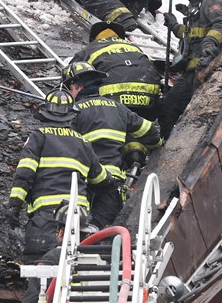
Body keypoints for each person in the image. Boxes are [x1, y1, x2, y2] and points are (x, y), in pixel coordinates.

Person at [5, 87, 109, 263]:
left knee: (40, 269)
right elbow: (100, 179)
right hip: (79, 220)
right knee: (77, 269)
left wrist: (14, 206)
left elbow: (24, 174)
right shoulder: (82, 141)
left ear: (45, 113)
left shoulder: (39, 137)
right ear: (71, 115)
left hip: (46, 219)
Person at [63, 61, 162, 231]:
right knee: (105, 227)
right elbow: (150, 132)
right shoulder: (117, 108)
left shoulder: (72, 111)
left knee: (78, 229)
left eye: (69, 90)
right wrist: (157, 145)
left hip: (81, 184)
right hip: (112, 182)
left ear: (76, 87)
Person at [159, 0, 222, 140]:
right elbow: (192, 35)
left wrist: (210, 44)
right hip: (192, 72)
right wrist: (175, 26)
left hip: (204, 70)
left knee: (197, 117)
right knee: (169, 107)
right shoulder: (199, 4)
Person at [68, 21, 163, 121]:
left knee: (80, 85)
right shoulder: (135, 48)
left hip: (112, 104)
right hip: (148, 103)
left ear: (95, 38)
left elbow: (71, 74)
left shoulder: (90, 49)